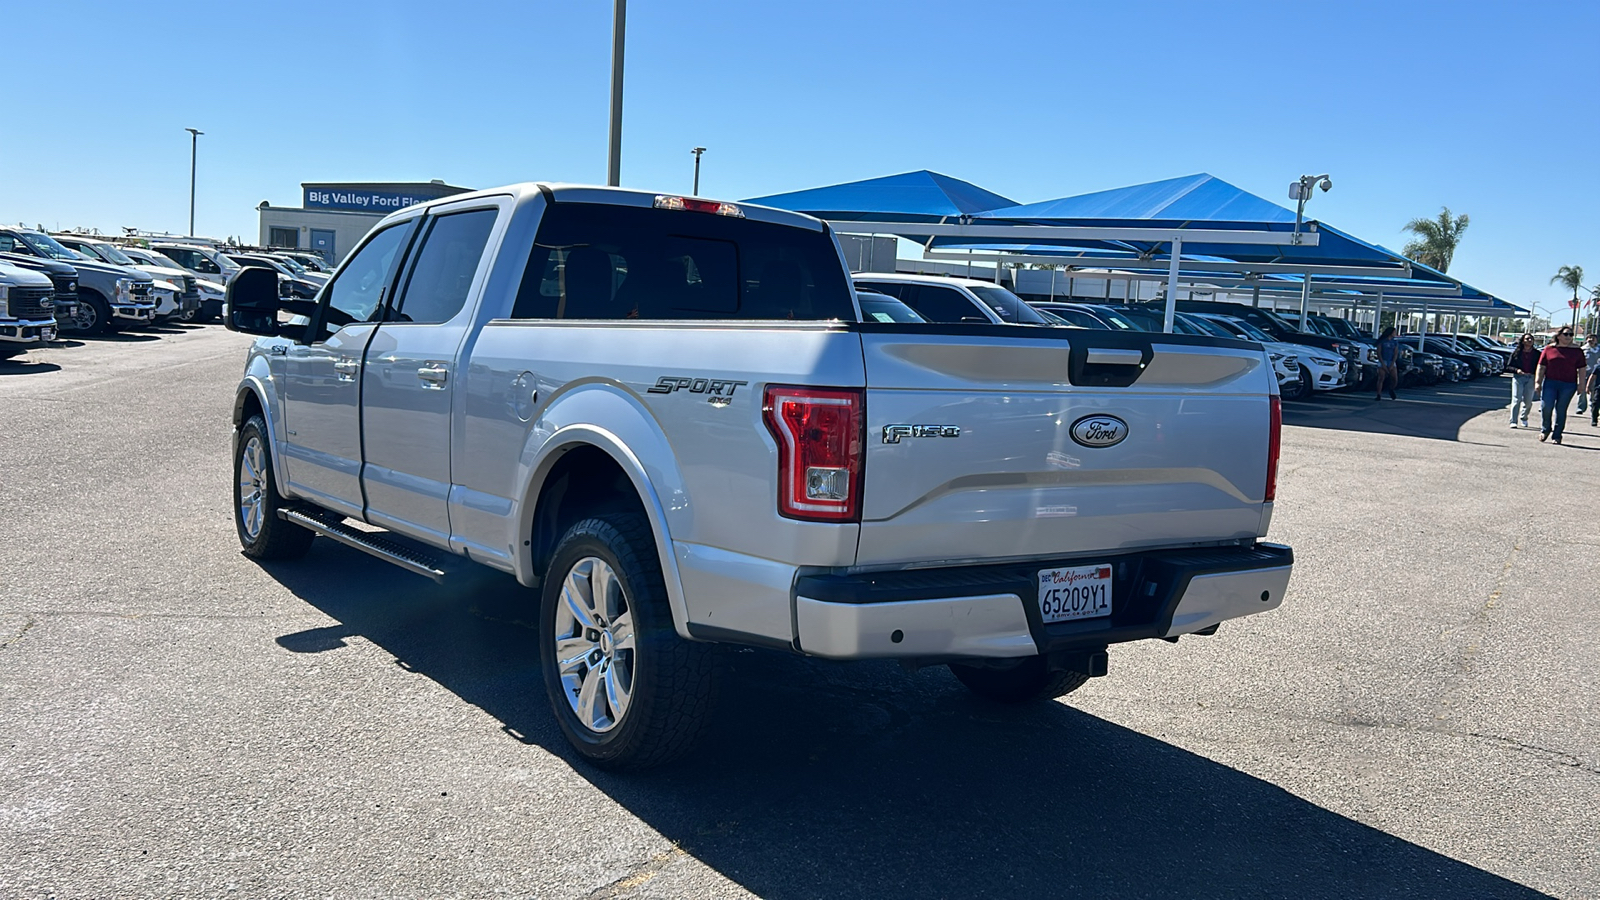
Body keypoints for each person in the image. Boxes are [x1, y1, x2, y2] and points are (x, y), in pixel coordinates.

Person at [1534, 327, 1587, 444]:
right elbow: (1541, 366)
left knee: (1561, 409)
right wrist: (1538, 382)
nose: (1568, 337)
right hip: (1550, 382)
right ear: (1558, 336)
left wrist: (1581, 384)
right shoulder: (1549, 349)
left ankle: (1557, 435)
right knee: (1546, 406)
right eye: (1566, 334)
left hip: (1568, 384)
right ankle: (1545, 429)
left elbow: (1582, 369)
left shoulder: (1577, 351)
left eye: (1571, 334)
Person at [1506, 333, 1540, 428]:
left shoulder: (1537, 354)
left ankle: (1524, 417)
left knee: (1528, 401)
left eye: (1531, 339)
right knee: (1516, 399)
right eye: (1527, 339)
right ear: (1523, 341)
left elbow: (1541, 366)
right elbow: (1508, 366)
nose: (1530, 341)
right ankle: (1513, 421)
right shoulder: (1517, 353)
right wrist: (1517, 370)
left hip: (1531, 378)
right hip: (1518, 378)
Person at [1373, 326, 1399, 401]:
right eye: (1394, 332)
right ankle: (1378, 394)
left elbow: (1395, 353)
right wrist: (1383, 364)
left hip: (1391, 361)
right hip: (1383, 360)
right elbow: (1379, 353)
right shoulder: (1382, 341)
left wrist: (1392, 364)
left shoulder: (1395, 342)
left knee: (1395, 378)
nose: (1395, 333)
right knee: (1381, 378)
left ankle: (1391, 389)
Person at [1580, 333, 1600, 421]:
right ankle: (1581, 407)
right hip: (1584, 372)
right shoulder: (1583, 349)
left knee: (1593, 392)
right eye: (1589, 338)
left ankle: (1593, 407)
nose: (1591, 340)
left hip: (1596, 373)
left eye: (1593, 338)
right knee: (1582, 390)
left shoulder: (1599, 349)